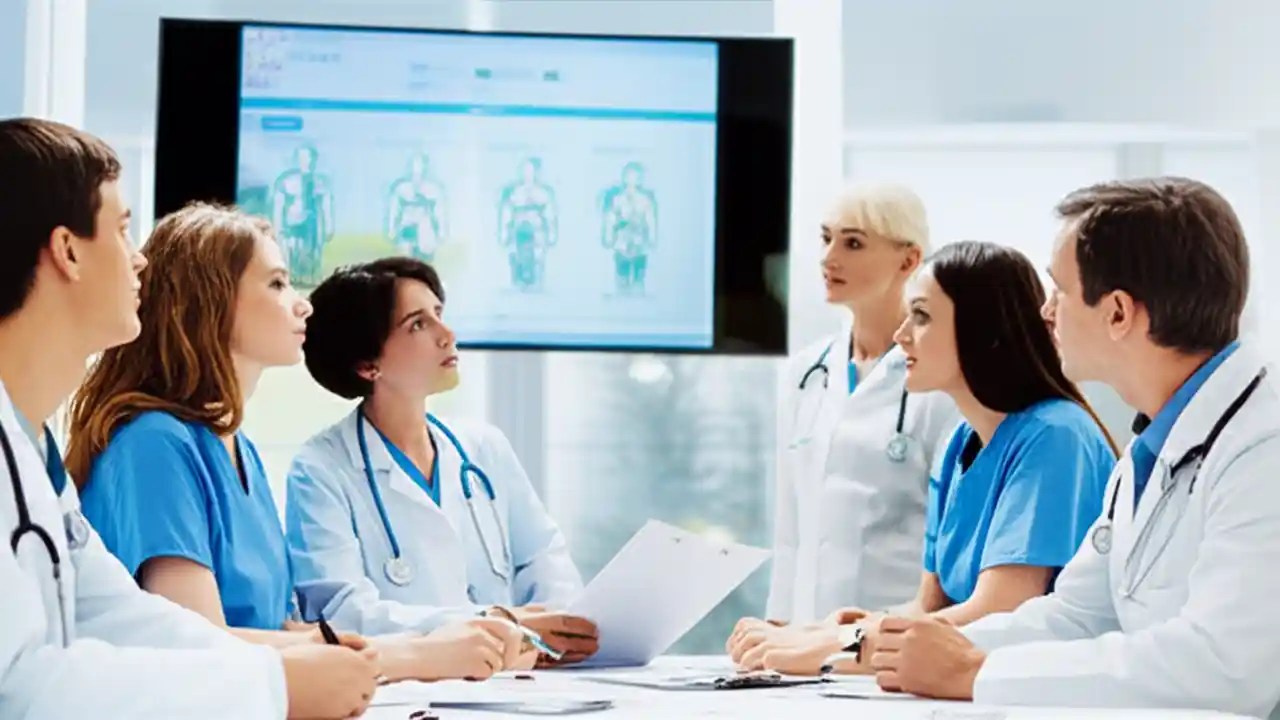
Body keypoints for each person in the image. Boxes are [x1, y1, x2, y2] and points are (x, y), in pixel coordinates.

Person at [0, 117, 377, 719]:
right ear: (67, 250)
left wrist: (283, 669)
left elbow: (123, 618)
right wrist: (273, 687)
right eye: (122, 232)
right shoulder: (146, 444)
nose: (139, 262)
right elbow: (16, 688)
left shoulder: (31, 454)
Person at [69, 203, 532, 683]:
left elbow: (283, 629)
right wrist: (413, 656)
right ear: (211, 303)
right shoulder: (156, 445)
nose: (302, 303)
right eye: (276, 284)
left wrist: (438, 644)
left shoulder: (236, 448)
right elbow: (198, 644)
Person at [870, 178, 1280, 719]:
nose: (1045, 313)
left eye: (1059, 291)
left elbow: (1226, 668)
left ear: (1117, 313)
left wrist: (976, 673)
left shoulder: (1261, 448)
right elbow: (1078, 615)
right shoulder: (1151, 450)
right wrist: (942, 652)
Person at [732, 240, 1117, 675]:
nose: (901, 336)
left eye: (921, 316)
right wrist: (823, 632)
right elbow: (929, 606)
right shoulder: (958, 443)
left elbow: (999, 611)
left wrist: (842, 649)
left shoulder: (1056, 438)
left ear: (982, 331)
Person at [287, 256, 599, 665]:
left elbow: (542, 557)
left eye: (439, 313)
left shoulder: (483, 447)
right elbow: (344, 614)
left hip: (519, 680)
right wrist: (498, 624)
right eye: (418, 324)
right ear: (368, 365)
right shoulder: (321, 469)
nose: (447, 334)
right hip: (405, 690)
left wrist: (559, 630)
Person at [734, 184, 960, 644]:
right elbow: (790, 527)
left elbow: (952, 532)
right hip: (803, 638)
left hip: (891, 637)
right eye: (826, 239)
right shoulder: (807, 373)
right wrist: (778, 627)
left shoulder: (942, 380)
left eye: (852, 243)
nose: (829, 257)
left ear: (908, 260)